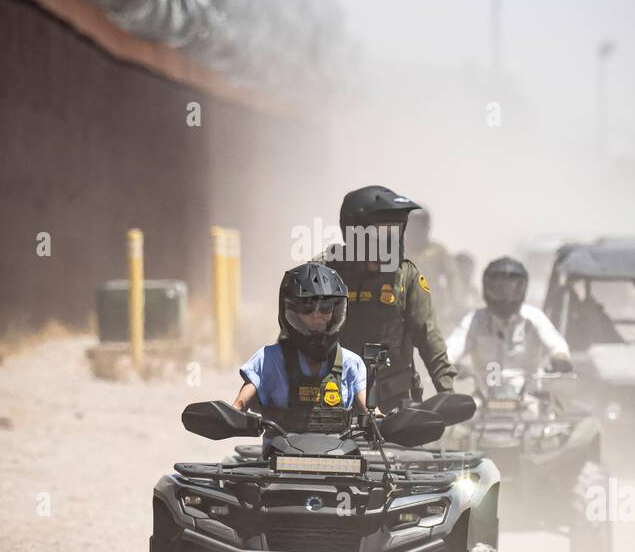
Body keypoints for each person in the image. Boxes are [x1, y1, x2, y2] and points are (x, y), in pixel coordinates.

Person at [323, 184, 456, 410]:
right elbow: (295, 335)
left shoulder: (407, 276)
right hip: (333, 399)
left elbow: (428, 336)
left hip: (395, 403)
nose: (390, 238)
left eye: (395, 229)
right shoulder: (324, 271)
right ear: (355, 230)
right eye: (383, 230)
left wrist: (447, 392)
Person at [233, 262, 367, 430]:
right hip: (281, 455)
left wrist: (390, 422)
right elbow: (238, 406)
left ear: (336, 311)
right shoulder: (269, 359)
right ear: (292, 311)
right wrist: (227, 418)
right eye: (307, 307)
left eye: (326, 307)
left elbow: (371, 413)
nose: (317, 315)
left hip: (341, 455)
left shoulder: (351, 362)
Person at [447, 256, 572, 377]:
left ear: (522, 289)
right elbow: (450, 350)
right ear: (487, 288)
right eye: (499, 289)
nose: (506, 297)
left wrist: (560, 358)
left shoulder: (534, 318)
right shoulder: (475, 320)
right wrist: (450, 366)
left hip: (529, 395)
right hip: (484, 395)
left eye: (512, 289)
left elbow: (557, 345)